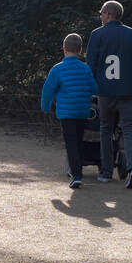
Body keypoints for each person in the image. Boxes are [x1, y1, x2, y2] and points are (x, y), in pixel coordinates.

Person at [85, 0, 132, 189]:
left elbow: (91, 64)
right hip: (128, 89)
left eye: (101, 13)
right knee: (128, 129)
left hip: (105, 90)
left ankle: (106, 172)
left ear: (108, 14)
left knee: (105, 128)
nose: (100, 17)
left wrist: (91, 88)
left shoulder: (97, 35)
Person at [41, 33, 98, 188]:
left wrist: (45, 107)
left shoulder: (58, 69)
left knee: (70, 143)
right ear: (80, 50)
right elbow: (94, 88)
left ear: (64, 49)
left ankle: (77, 174)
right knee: (78, 141)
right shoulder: (85, 68)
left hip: (66, 112)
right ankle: (78, 170)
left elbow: (48, 91)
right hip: (82, 111)